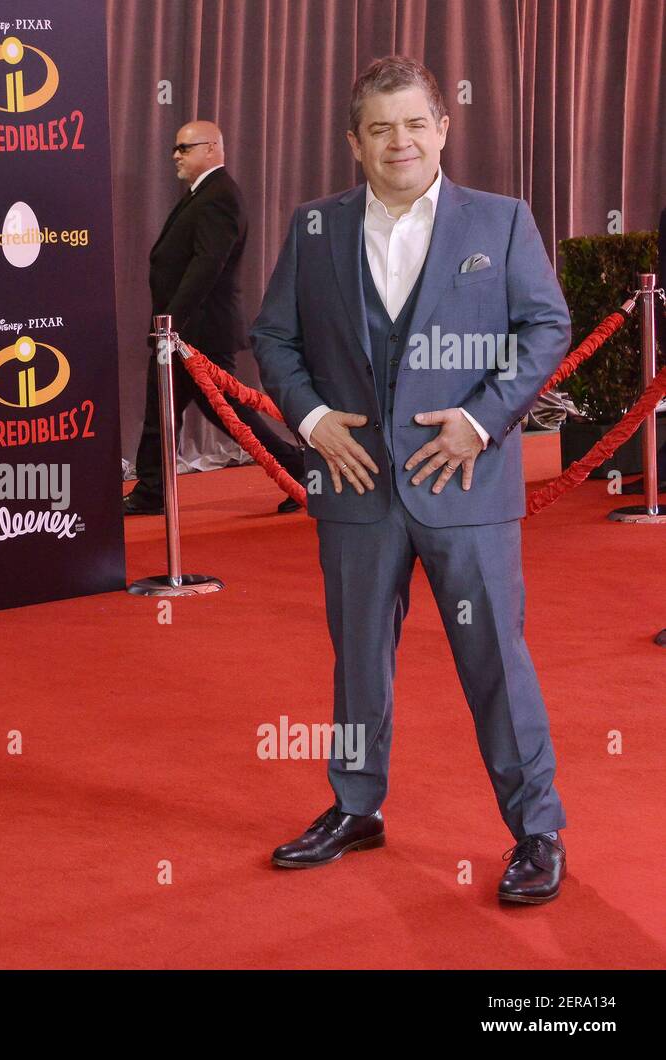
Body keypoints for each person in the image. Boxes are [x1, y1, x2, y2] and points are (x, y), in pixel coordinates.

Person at [251, 56, 570, 902]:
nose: (401, 141)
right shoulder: (314, 228)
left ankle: (537, 830)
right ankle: (356, 807)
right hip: (356, 490)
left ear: (444, 128)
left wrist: (480, 420)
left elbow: (545, 326)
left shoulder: (500, 222)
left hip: (466, 487)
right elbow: (272, 337)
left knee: (496, 661)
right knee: (358, 660)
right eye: (381, 128)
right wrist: (314, 423)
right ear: (355, 142)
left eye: (415, 123)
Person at [125, 120, 306, 516]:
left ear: (212, 149)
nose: (176, 154)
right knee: (163, 410)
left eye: (184, 148)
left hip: (195, 331)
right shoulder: (203, 193)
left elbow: (208, 265)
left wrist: (171, 320)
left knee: (228, 413)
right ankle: (152, 490)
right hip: (183, 331)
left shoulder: (218, 196)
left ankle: (302, 468)